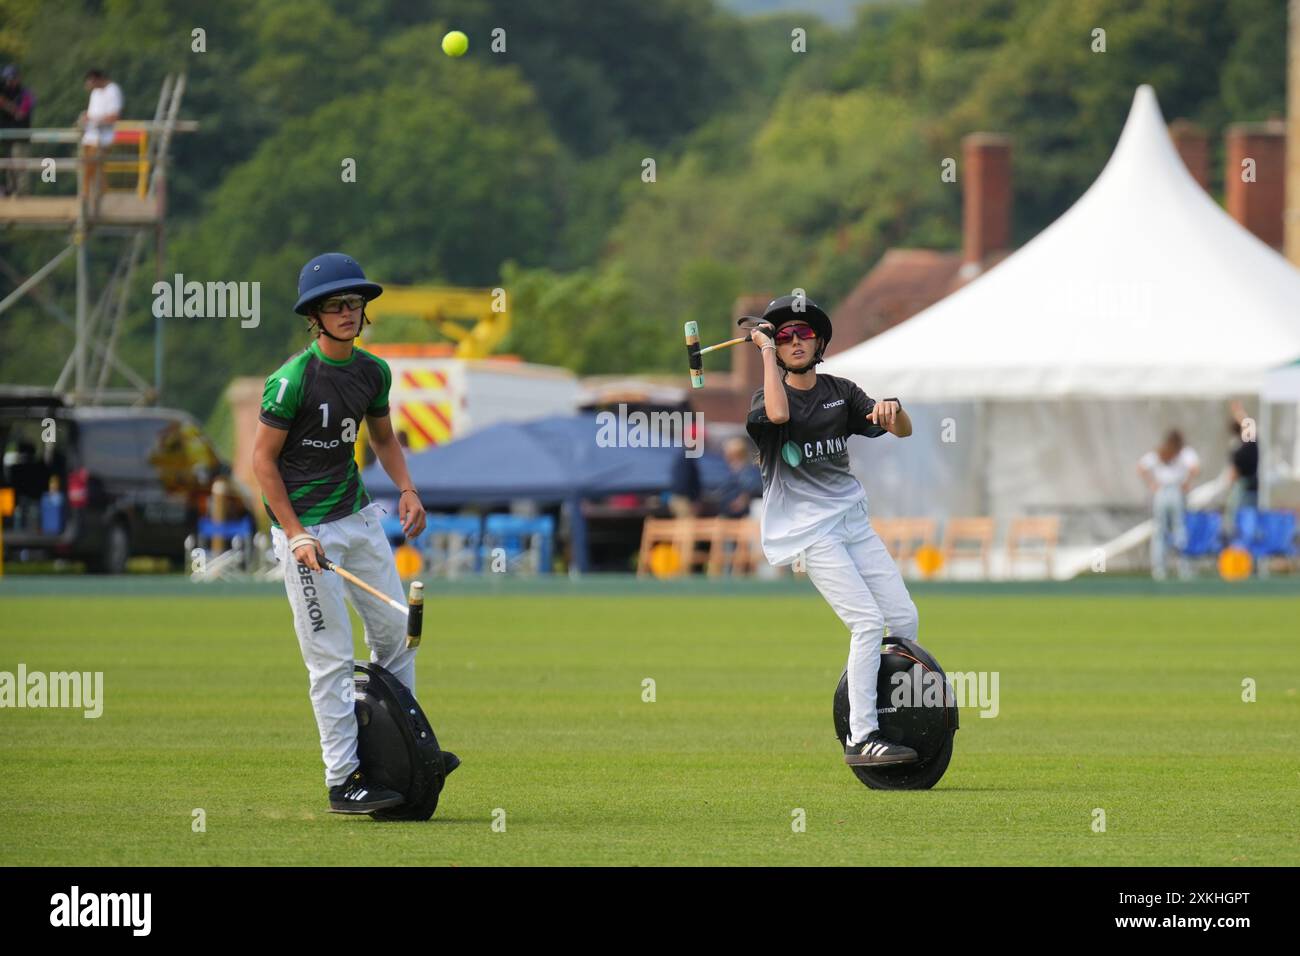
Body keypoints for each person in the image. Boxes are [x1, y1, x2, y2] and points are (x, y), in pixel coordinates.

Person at [252, 253, 433, 814]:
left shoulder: (373, 372)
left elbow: (383, 437)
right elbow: (261, 462)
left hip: (358, 517)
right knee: (331, 657)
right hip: (308, 534)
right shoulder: (290, 381)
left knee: (398, 633)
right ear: (315, 315)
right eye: (337, 305)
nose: (349, 312)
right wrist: (295, 533)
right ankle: (344, 779)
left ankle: (404, 751)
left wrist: (406, 488)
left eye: (355, 303)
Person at [745, 294, 919, 767]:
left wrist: (892, 408)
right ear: (776, 350)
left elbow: (901, 430)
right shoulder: (766, 401)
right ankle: (861, 737)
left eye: (803, 334)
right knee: (865, 623)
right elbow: (781, 416)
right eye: (784, 336)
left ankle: (887, 708)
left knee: (903, 621)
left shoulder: (841, 389)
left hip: (853, 521)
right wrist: (762, 350)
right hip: (811, 534)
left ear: (819, 342)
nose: (795, 341)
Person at [1137, 429, 1199, 580]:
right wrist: (1187, 483)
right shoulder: (1184, 452)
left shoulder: (1160, 452)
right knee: (1179, 529)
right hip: (1175, 491)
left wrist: (1151, 484)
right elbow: (1195, 468)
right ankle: (1183, 568)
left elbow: (1141, 467)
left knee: (1160, 531)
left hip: (1161, 492)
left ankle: (1159, 570)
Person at [77, 69, 122, 212]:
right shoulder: (95, 93)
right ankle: (95, 194)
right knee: (88, 167)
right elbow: (92, 114)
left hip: (103, 138)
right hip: (90, 137)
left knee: (92, 165)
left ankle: (87, 195)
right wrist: (86, 118)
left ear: (97, 79)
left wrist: (93, 119)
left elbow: (113, 117)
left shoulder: (113, 91)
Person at [1224, 399, 1258, 539]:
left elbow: (1233, 474)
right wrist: (1239, 412)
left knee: (1237, 521)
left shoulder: (1241, 448)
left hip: (1242, 488)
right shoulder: (1249, 446)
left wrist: (1238, 411)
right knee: (1247, 521)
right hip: (1250, 488)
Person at [0, 65, 35, 196]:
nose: (9, 82)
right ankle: (11, 192)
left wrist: (6, 105)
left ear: (18, 78)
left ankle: (22, 194)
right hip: (6, 138)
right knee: (9, 167)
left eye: (12, 78)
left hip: (20, 137)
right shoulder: (5, 92)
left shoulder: (26, 94)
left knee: (20, 166)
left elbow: (21, 113)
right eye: (7, 79)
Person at [713, 437, 762, 518]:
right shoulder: (732, 470)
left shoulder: (749, 471)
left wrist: (744, 500)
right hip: (728, 513)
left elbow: (753, 488)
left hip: (743, 516)